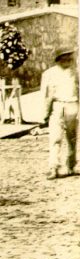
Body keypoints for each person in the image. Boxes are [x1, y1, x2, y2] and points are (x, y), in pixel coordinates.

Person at [41, 47, 79, 179]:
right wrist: (45, 113)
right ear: (58, 59)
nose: (67, 59)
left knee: (72, 139)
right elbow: (47, 96)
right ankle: (53, 167)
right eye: (64, 56)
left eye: (69, 56)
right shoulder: (49, 74)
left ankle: (71, 166)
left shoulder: (75, 73)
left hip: (72, 106)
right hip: (57, 107)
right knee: (55, 138)